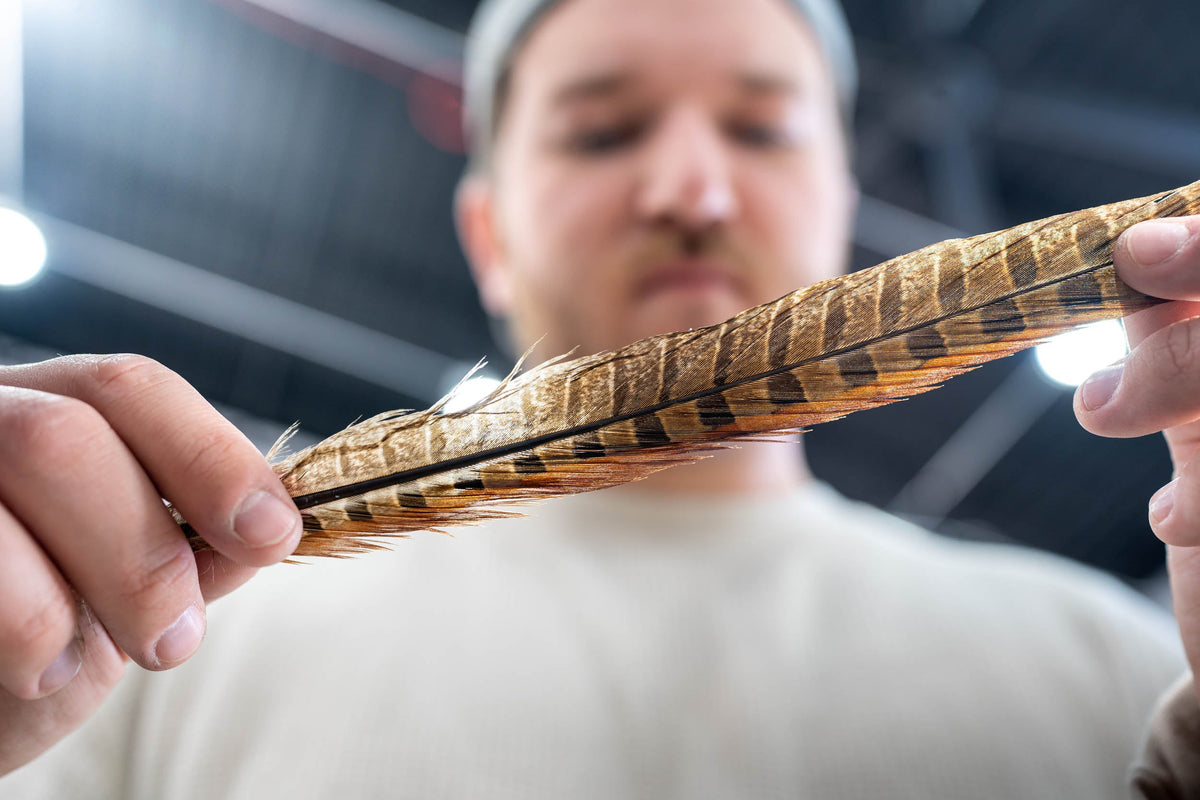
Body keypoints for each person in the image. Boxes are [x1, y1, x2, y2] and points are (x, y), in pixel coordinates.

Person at [2, 0, 1200, 796]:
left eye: (761, 130)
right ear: (487, 231)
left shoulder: (1121, 667)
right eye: (603, 132)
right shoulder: (154, 641)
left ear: (840, 201)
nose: (691, 187)